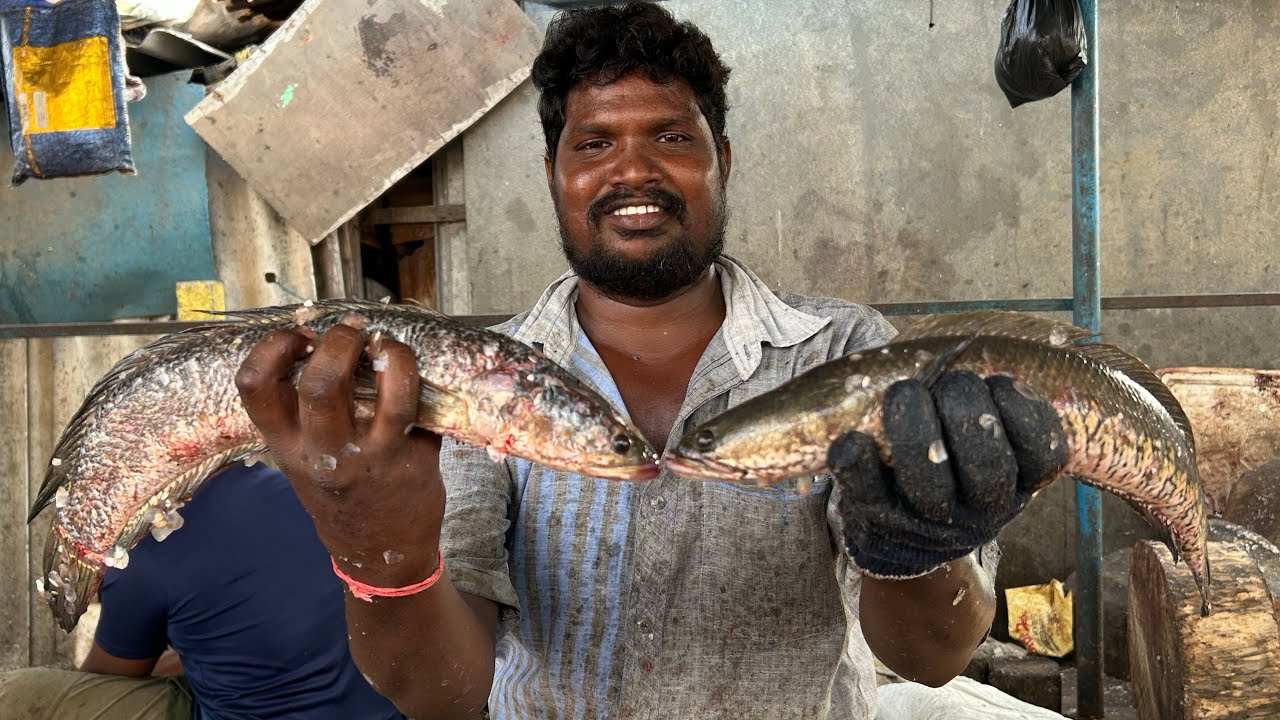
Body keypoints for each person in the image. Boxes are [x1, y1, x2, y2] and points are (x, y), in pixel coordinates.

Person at [235, 3, 1069, 719]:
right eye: (594, 143)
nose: (633, 169)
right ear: (554, 174)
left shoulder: (848, 353)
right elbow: (440, 695)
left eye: (670, 136)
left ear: (721, 160)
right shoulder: (480, 384)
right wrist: (380, 553)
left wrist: (918, 548)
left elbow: (932, 659)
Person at [0, 463, 406, 720]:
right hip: (386, 704)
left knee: (15, 695)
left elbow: (105, 679)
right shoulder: (277, 480)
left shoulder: (141, 552)